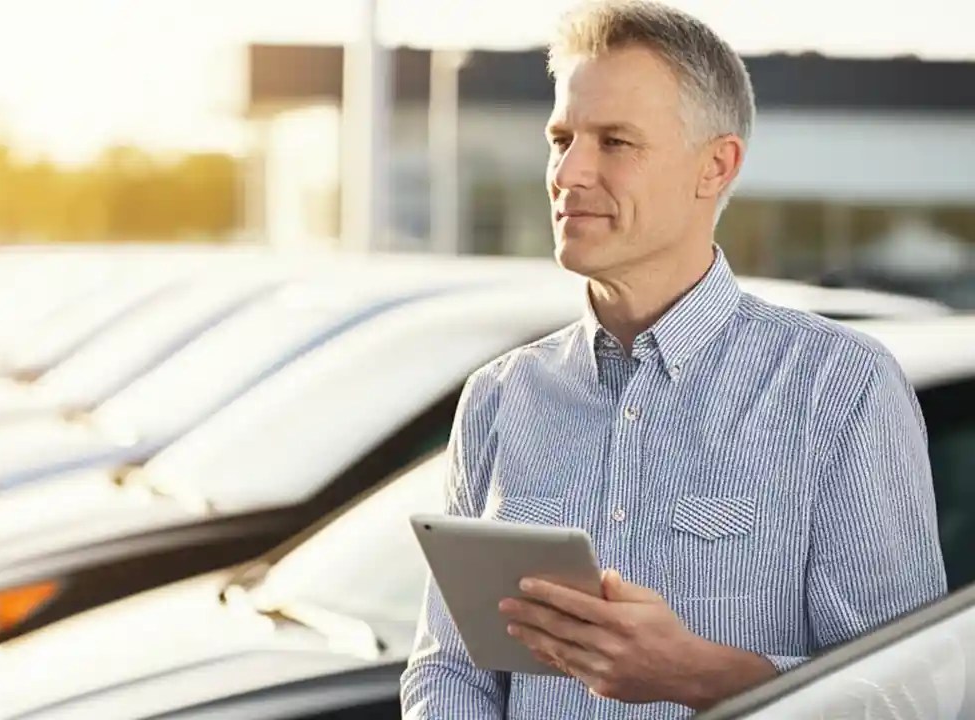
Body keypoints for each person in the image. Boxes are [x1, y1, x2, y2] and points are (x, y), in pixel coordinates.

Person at [398, 0, 948, 717]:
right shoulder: (503, 396)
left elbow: (913, 697)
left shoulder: (840, 390)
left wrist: (699, 674)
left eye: (615, 142)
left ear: (714, 167)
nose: (569, 172)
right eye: (561, 137)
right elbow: (449, 674)